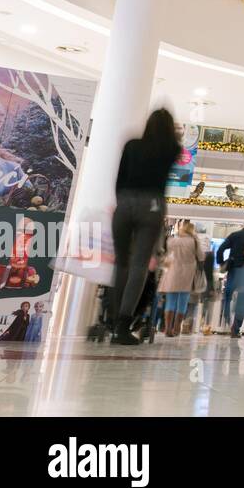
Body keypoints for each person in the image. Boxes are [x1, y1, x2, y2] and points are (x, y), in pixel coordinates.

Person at [110, 108, 182, 346]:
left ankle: (111, 317)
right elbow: (174, 146)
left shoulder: (131, 146)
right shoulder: (170, 150)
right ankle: (123, 324)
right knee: (139, 266)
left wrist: (121, 202)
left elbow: (118, 179)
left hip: (125, 203)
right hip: (151, 206)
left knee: (121, 264)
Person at [158, 220, 201, 338]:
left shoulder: (171, 240)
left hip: (172, 273)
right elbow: (201, 257)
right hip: (187, 275)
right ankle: (176, 328)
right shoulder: (194, 242)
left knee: (170, 301)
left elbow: (165, 256)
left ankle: (167, 328)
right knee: (182, 302)